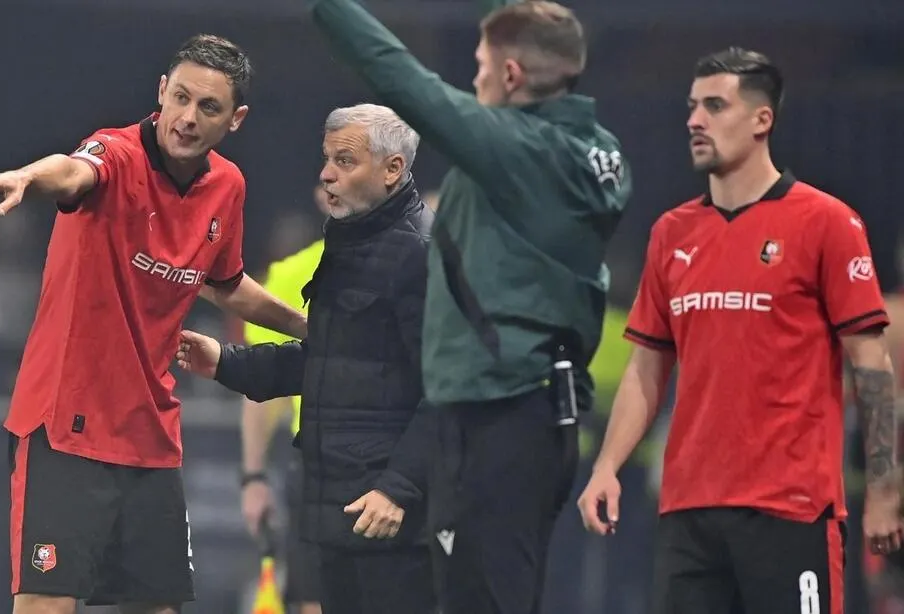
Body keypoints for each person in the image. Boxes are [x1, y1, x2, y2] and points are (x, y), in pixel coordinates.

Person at [302, 1, 632, 612]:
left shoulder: (521, 149)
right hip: (534, 412)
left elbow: (402, 78)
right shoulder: (599, 152)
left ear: (510, 75)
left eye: (480, 67)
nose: (471, 82)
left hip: (496, 417)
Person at [0, 34, 308, 614]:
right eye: (180, 97)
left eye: (209, 108)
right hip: (65, 427)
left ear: (236, 119)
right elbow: (74, 173)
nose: (188, 118)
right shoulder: (117, 153)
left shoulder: (227, 186)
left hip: (151, 435)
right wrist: (27, 177)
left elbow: (226, 285)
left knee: (159, 607)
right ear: (161, 92)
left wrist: (310, 329)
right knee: (47, 605)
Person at [576, 47, 903, 614]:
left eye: (714, 105)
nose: (694, 120)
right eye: (692, 106)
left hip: (792, 510)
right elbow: (647, 367)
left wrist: (884, 488)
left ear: (762, 120)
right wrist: (607, 466)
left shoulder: (826, 222)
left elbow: (871, 365)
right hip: (687, 513)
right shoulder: (672, 233)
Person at [176, 103, 438, 614]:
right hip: (334, 507)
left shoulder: (424, 253)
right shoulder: (351, 244)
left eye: (345, 160)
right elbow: (332, 360)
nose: (325, 174)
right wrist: (227, 363)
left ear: (393, 170)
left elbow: (450, 389)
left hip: (392, 518)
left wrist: (399, 489)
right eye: (326, 159)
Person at [240, 186, 326, 614]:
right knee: (313, 601)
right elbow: (263, 383)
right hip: (315, 463)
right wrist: (253, 477)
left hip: (401, 457)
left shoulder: (421, 259)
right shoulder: (292, 274)